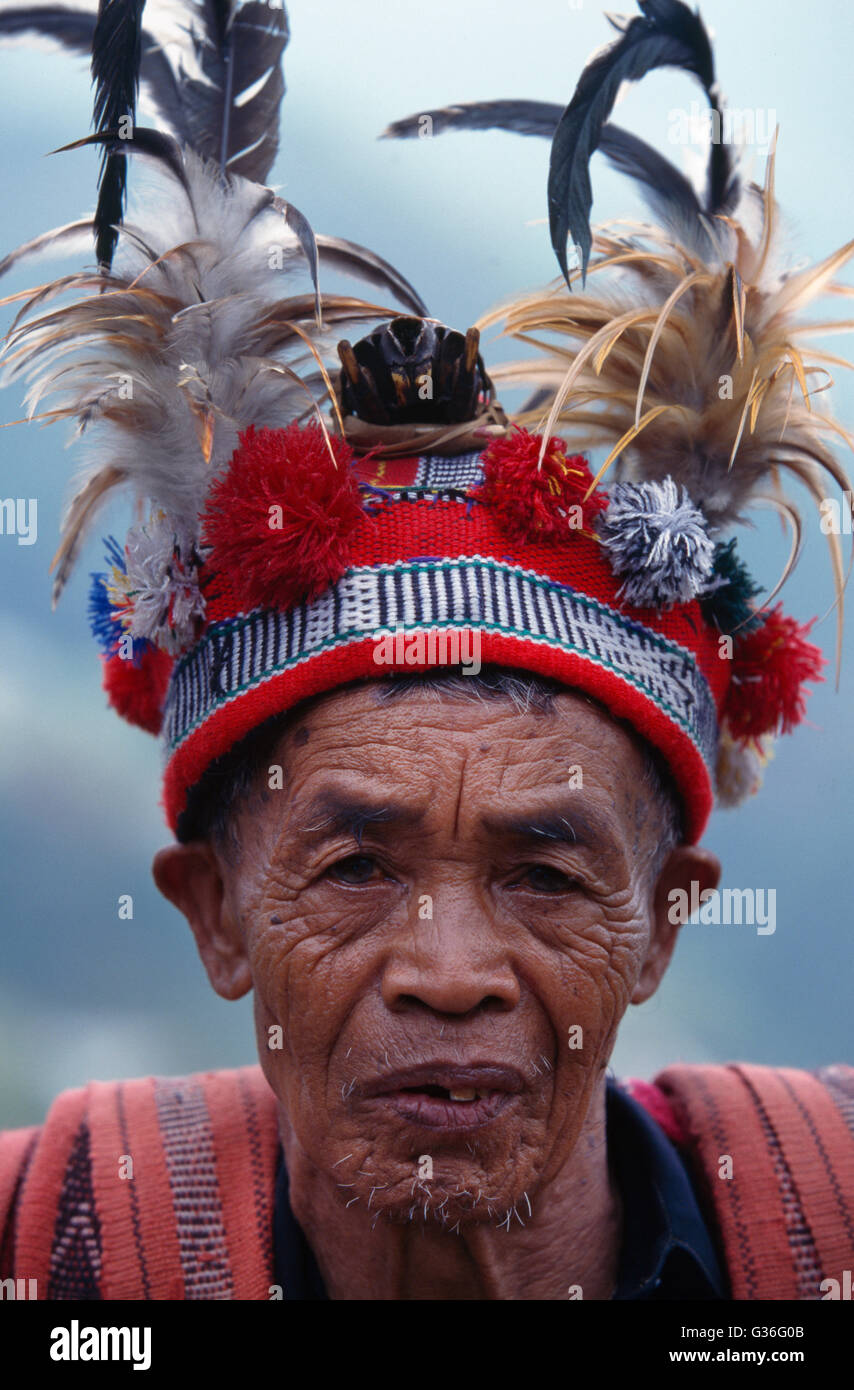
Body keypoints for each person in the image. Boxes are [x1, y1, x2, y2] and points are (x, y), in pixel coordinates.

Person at [0, 0, 852, 1300]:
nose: (448, 974)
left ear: (663, 920)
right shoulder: (56, 1261)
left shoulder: (818, 1231)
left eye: (547, 878)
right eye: (350, 865)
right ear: (218, 911)